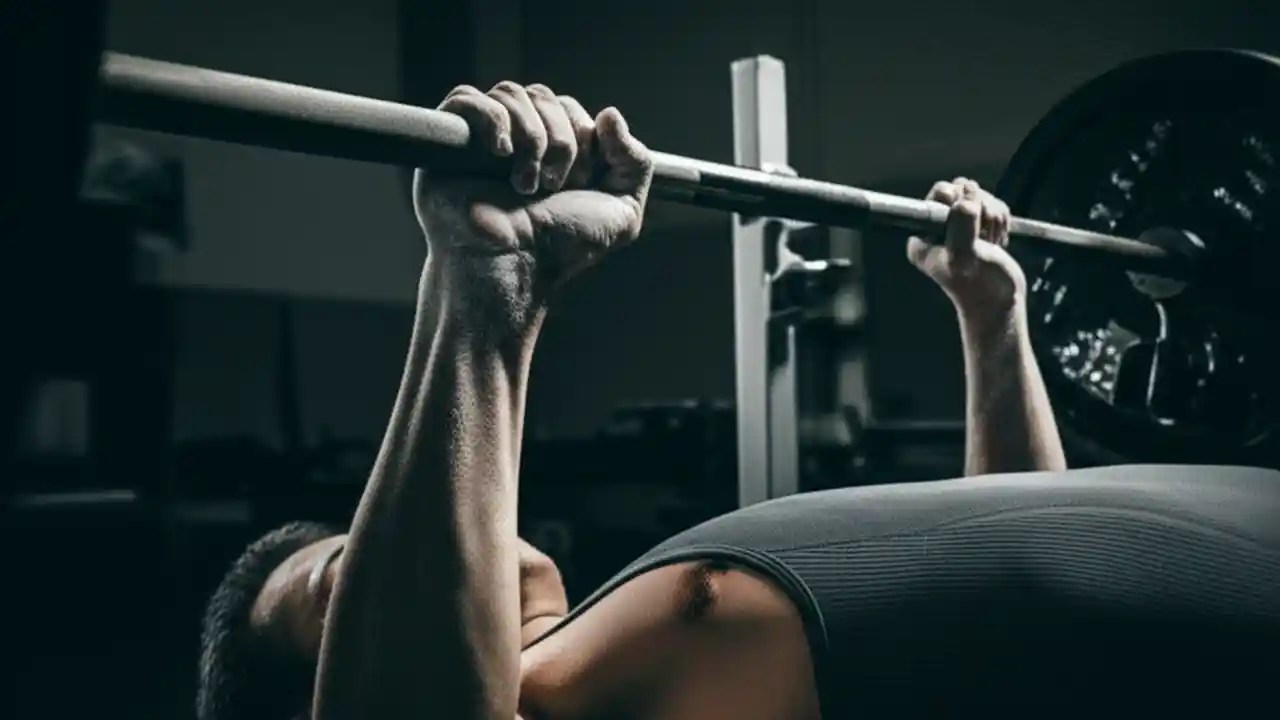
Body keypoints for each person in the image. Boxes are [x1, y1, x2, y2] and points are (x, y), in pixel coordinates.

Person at [197, 80, 1280, 720]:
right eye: (343, 583)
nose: (393, 548)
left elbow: (1028, 551)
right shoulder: (555, 693)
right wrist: (487, 286)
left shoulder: (621, 621)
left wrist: (989, 319)